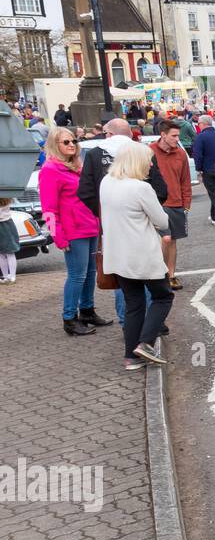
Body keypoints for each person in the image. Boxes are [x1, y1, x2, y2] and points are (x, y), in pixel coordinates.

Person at [77, 119, 169, 325]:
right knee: (147, 270)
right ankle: (150, 321)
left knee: (123, 273)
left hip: (111, 226)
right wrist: (148, 210)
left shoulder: (94, 154)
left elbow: (85, 191)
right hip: (142, 224)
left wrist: (105, 213)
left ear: (108, 133)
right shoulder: (142, 152)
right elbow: (161, 190)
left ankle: (129, 321)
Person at [99, 141, 175, 370]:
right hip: (142, 254)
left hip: (118, 254)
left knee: (134, 304)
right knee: (163, 297)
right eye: (148, 162)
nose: (150, 166)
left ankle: (131, 358)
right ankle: (146, 343)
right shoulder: (140, 188)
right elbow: (162, 221)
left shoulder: (106, 182)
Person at [39, 127, 104, 335]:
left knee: (90, 273)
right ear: (54, 145)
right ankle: (69, 318)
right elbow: (48, 209)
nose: (71, 145)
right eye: (65, 142)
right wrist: (59, 236)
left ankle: (87, 311)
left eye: (73, 141)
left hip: (90, 227)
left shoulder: (77, 166)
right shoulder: (50, 170)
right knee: (77, 275)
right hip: (73, 231)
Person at [149, 120, 193, 290]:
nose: (177, 138)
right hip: (155, 203)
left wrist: (186, 204)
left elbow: (185, 181)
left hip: (176, 203)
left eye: (178, 135)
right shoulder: (149, 151)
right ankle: (159, 275)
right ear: (163, 135)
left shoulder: (180, 154)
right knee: (161, 240)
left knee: (172, 240)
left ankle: (171, 275)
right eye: (174, 135)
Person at [193, 115, 215, 225]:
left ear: (202, 124)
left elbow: (198, 155)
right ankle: (214, 215)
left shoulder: (201, 137)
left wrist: (198, 169)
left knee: (214, 194)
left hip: (208, 169)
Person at [0, 198, 19, 284]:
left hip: (4, 225)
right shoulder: (7, 196)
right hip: (7, 224)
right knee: (5, 253)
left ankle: (11, 276)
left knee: (7, 253)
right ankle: (9, 276)